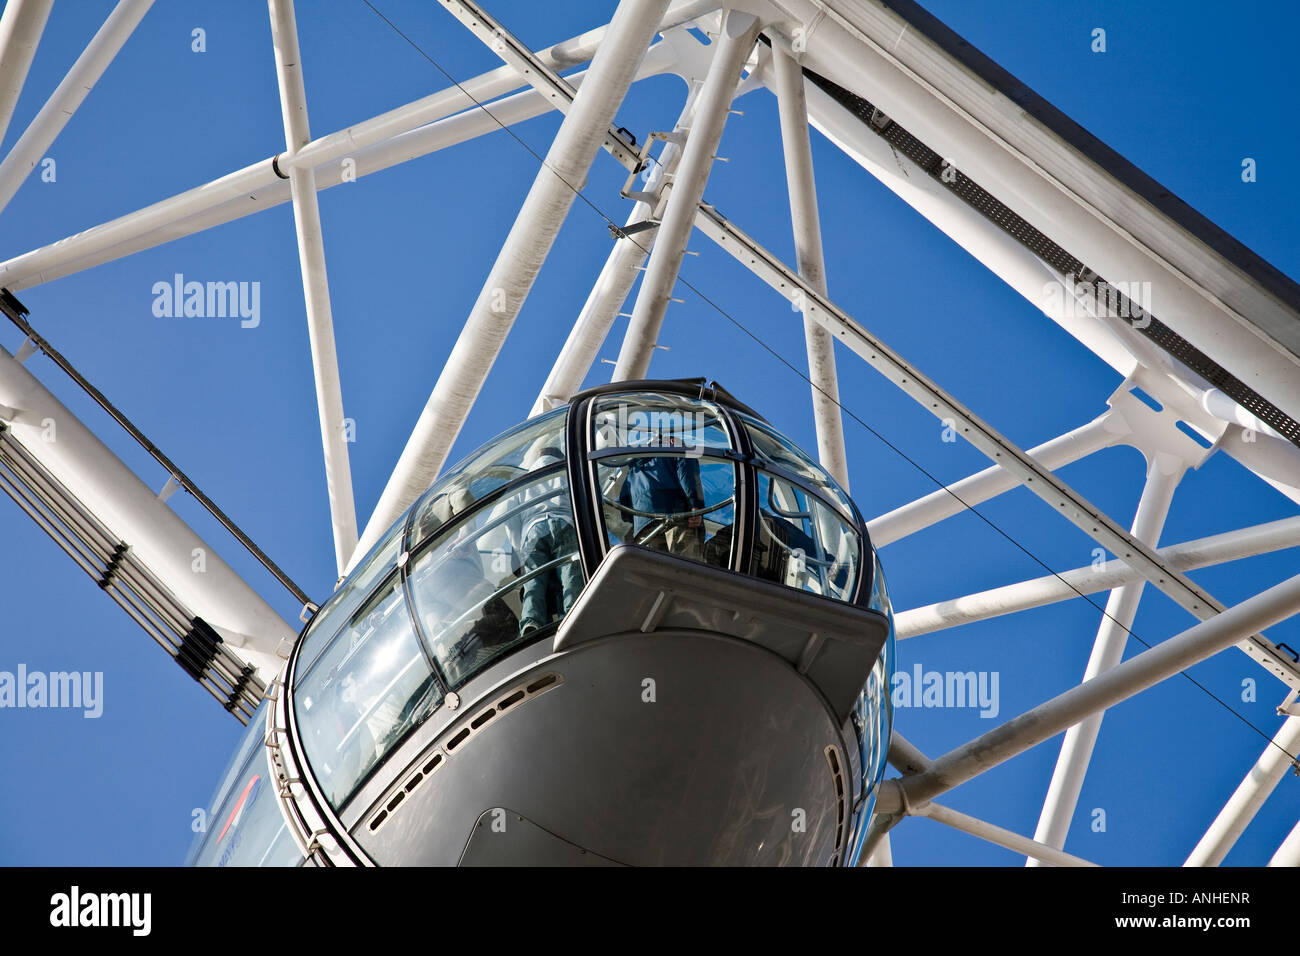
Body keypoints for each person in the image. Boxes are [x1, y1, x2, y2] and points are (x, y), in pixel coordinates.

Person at [517, 448, 581, 636]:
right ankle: (573, 614)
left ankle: (531, 621)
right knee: (570, 575)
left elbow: (511, 520)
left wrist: (520, 546)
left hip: (533, 528)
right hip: (563, 521)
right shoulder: (565, 469)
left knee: (534, 581)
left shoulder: (524, 479)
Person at [617, 435, 706, 561]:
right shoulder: (676, 450)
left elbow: (624, 508)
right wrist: (696, 506)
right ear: (671, 441)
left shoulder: (634, 470)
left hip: (645, 529)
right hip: (677, 515)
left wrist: (639, 520)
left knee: (656, 573)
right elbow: (689, 476)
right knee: (686, 567)